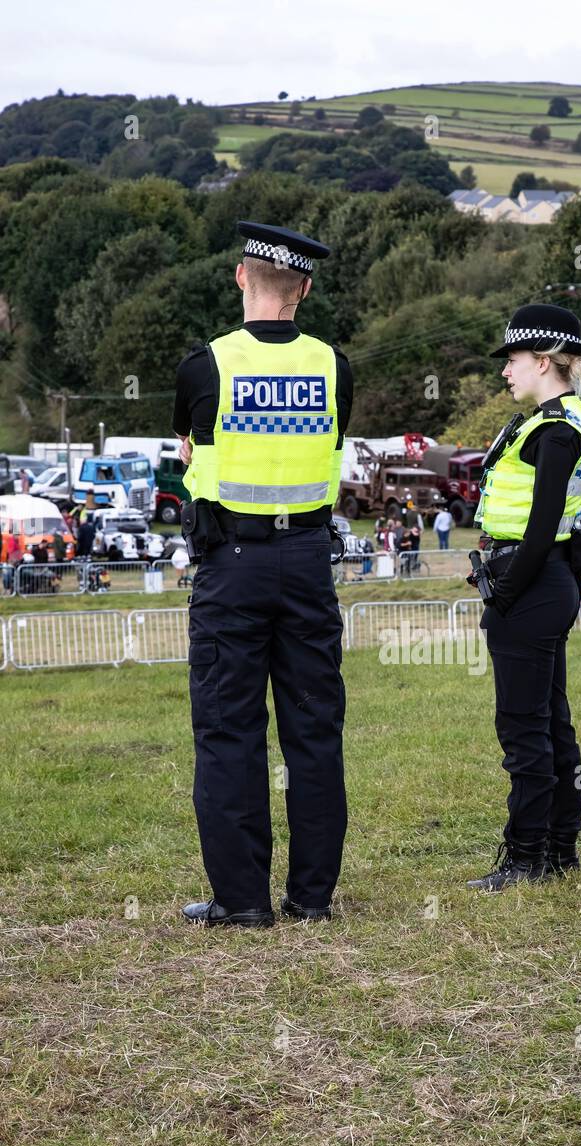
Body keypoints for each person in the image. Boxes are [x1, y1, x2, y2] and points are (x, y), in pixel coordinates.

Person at [174, 220, 352, 928]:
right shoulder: (335, 365)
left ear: (241, 277)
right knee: (314, 730)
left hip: (232, 565)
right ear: (303, 289)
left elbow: (188, 447)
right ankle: (312, 897)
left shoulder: (204, 365)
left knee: (229, 731)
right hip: (308, 560)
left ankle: (241, 900)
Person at [467, 304, 581, 892]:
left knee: (524, 727)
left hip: (531, 581)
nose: (506, 372)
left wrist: (503, 595)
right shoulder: (561, 419)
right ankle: (558, 848)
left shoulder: (555, 428)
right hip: (543, 580)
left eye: (514, 360)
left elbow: (544, 523)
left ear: (544, 361)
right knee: (550, 721)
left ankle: (527, 858)